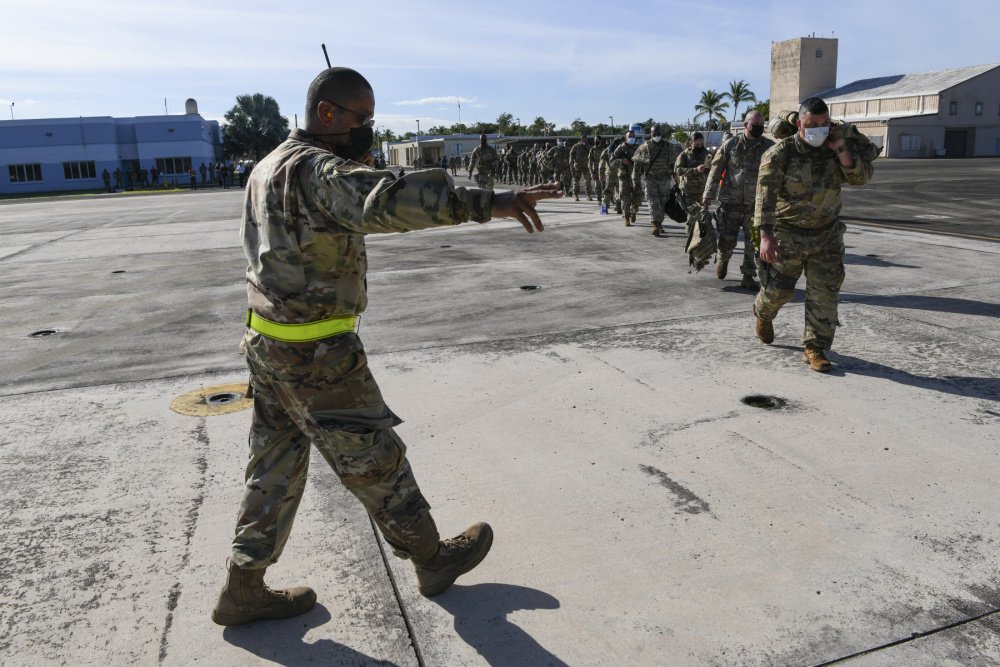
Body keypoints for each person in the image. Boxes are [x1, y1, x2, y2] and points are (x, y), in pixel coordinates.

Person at [211, 66, 563, 627]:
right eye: (362, 119)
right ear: (327, 114)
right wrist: (488, 201)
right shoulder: (316, 169)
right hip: (316, 355)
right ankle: (430, 560)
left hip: (268, 342)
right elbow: (382, 200)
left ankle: (243, 587)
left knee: (273, 470)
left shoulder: (267, 164)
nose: (368, 130)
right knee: (377, 463)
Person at [753, 97, 873, 372]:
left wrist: (840, 149)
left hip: (827, 235)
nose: (819, 128)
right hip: (788, 234)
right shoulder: (782, 152)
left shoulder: (836, 148)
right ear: (799, 124)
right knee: (780, 291)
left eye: (824, 123)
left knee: (825, 293)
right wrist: (766, 235)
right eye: (812, 124)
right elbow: (765, 194)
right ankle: (764, 312)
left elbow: (861, 179)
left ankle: (814, 347)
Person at [703, 110, 774, 289]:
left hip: (756, 205)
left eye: (761, 125)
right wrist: (708, 194)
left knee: (753, 244)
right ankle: (724, 259)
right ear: (745, 125)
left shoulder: (768, 147)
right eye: (755, 124)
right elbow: (716, 169)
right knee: (727, 239)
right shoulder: (731, 144)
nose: (758, 128)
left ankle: (747, 275)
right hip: (730, 202)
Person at [631, 125, 675, 236]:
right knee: (652, 202)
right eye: (654, 134)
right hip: (651, 179)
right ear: (651, 134)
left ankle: (660, 222)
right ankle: (655, 223)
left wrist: (678, 178)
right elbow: (636, 165)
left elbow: (674, 165)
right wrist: (635, 181)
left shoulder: (668, 146)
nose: (656, 136)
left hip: (665, 179)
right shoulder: (644, 147)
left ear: (662, 133)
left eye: (658, 134)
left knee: (663, 204)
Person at [674, 132, 711, 214]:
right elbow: (678, 170)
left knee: (704, 218)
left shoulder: (708, 154)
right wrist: (695, 170)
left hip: (703, 192)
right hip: (689, 192)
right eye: (697, 145)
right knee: (692, 218)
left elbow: (715, 170)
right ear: (691, 143)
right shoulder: (684, 155)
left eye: (702, 144)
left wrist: (712, 167)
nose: (700, 146)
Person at [611, 130, 641, 226]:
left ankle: (633, 211)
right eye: (629, 136)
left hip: (635, 177)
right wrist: (621, 161)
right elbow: (611, 161)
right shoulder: (620, 148)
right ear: (626, 138)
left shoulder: (638, 148)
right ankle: (626, 218)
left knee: (637, 198)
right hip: (623, 177)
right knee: (625, 199)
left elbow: (644, 160)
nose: (631, 138)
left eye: (633, 136)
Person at [568, 135, 594, 202]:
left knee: (588, 181)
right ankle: (576, 195)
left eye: (585, 140)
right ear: (580, 140)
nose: (584, 141)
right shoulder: (575, 147)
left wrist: (587, 147)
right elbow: (571, 157)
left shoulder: (589, 146)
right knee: (576, 181)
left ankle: (588, 195)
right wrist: (571, 166)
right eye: (583, 140)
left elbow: (592, 154)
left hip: (586, 167)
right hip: (577, 167)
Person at [588, 136, 604, 205]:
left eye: (597, 140)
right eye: (595, 140)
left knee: (606, 186)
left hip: (604, 170)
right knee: (597, 186)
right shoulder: (592, 150)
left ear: (601, 141)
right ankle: (599, 199)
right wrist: (591, 172)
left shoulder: (605, 149)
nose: (596, 141)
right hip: (596, 170)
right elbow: (590, 162)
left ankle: (609, 198)